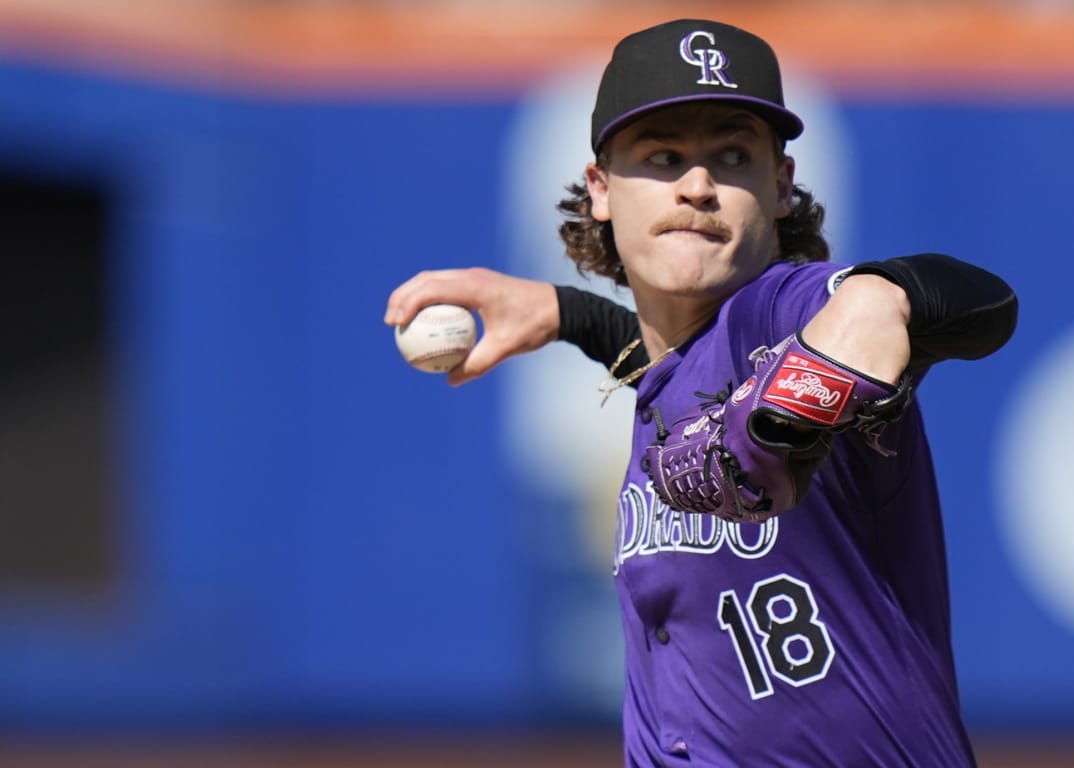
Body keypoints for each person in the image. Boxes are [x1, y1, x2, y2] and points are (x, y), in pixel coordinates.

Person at [385, 18, 1017, 767]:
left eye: (732, 154)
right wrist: (563, 312)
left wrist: (873, 304)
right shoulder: (669, 377)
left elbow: (981, 302)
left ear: (780, 187)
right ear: (601, 190)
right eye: (662, 157)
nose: (696, 184)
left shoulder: (789, 309)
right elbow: (674, 364)